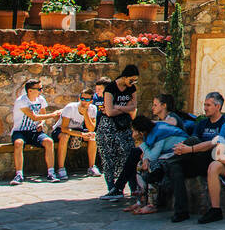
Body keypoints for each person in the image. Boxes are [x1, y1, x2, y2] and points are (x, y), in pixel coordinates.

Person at [163, 92, 225, 223]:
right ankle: (181, 212)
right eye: (204, 105)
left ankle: (164, 165)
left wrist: (190, 148)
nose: (205, 108)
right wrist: (185, 149)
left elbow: (215, 143)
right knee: (175, 167)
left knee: (192, 141)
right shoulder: (202, 123)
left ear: (218, 106)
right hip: (197, 159)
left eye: (208, 105)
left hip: (213, 160)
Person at [126, 116, 188, 215]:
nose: (133, 134)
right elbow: (150, 153)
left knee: (152, 167)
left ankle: (152, 204)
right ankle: (141, 200)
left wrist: (141, 144)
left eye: (134, 131)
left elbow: (153, 156)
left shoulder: (160, 133)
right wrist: (145, 158)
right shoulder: (150, 132)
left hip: (176, 154)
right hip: (164, 153)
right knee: (140, 165)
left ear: (141, 131)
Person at [97, 65, 140, 202]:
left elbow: (134, 107)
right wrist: (126, 108)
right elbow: (109, 112)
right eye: (131, 80)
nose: (133, 83)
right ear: (125, 77)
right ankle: (113, 189)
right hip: (108, 127)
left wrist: (118, 107)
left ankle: (134, 188)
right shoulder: (110, 88)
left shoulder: (131, 89)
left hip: (124, 126)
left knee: (128, 155)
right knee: (108, 157)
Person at [10, 79, 61, 184]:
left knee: (49, 142)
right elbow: (34, 117)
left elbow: (42, 115)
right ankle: (19, 174)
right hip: (20, 131)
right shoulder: (21, 101)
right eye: (39, 89)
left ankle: (51, 173)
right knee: (18, 143)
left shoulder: (40, 99)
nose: (41, 91)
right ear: (30, 90)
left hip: (34, 131)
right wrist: (53, 114)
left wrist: (41, 124)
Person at [51, 88, 100, 180]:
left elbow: (91, 128)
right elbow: (64, 128)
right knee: (65, 137)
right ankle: (61, 168)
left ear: (91, 101)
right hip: (60, 130)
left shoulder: (93, 109)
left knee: (93, 136)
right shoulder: (71, 107)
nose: (84, 101)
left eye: (87, 99)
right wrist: (81, 134)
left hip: (77, 129)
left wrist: (85, 114)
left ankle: (92, 166)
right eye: (82, 98)